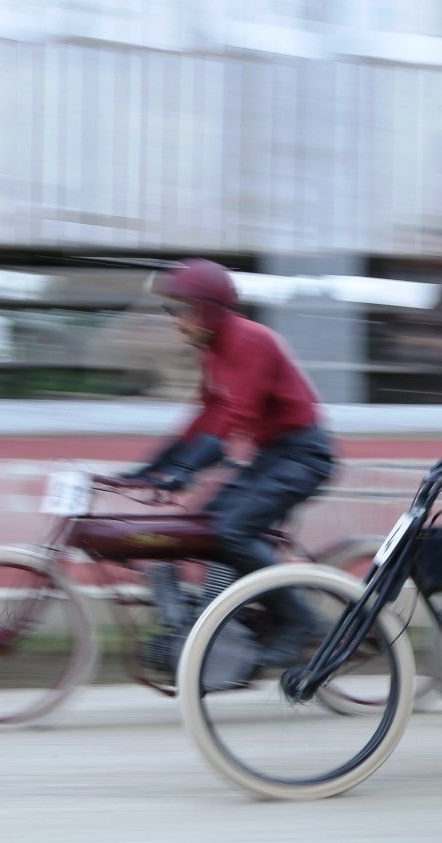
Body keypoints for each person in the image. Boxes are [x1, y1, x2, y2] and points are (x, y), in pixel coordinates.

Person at [130, 259, 336, 670]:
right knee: (206, 526)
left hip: (303, 455)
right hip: (269, 457)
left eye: (180, 308)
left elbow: (235, 417)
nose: (174, 319)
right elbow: (206, 415)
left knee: (231, 529)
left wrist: (187, 470)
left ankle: (300, 622)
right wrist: (150, 468)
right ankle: (224, 621)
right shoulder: (212, 351)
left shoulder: (250, 341)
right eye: (171, 309)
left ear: (208, 308)